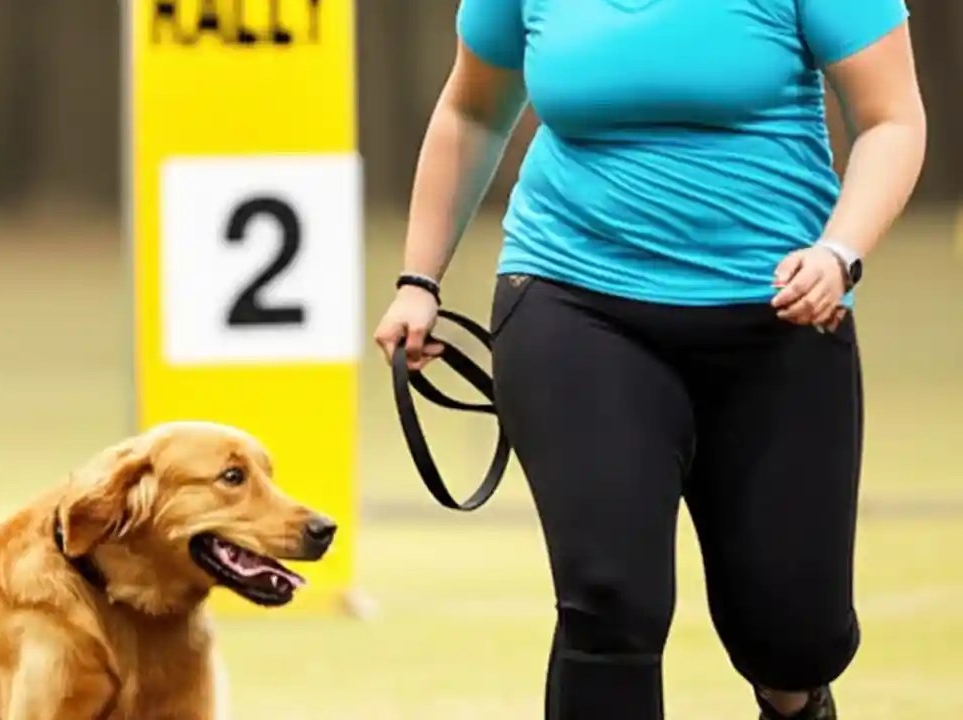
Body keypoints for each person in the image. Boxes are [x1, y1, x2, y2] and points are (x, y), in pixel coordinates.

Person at [373, 1, 926, 718]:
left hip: (777, 315)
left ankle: (795, 697)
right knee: (608, 602)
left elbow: (892, 119)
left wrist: (839, 251)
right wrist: (419, 281)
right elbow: (471, 111)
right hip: (572, 299)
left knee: (793, 637)